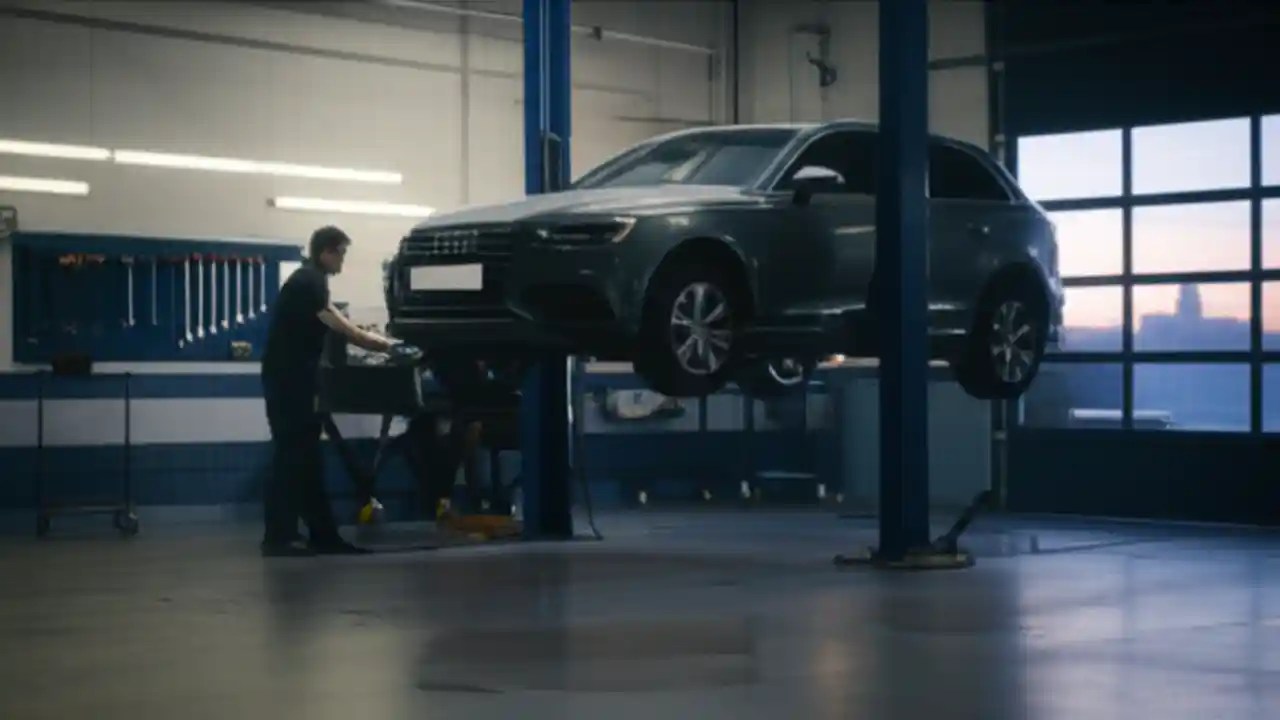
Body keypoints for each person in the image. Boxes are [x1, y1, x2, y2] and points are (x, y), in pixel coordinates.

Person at [260, 226, 397, 557]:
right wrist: (387, 346)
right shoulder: (309, 280)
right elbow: (342, 327)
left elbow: (335, 317)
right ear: (327, 252)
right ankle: (280, 537)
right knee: (293, 458)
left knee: (305, 459)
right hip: (290, 384)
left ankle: (322, 534)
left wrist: (377, 341)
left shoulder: (309, 281)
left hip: (292, 381)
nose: (343, 262)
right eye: (342, 254)